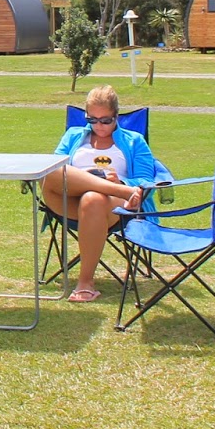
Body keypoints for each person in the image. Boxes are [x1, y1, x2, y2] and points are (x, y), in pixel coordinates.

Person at [40, 84, 171, 303]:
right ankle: (120, 190)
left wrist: (122, 181)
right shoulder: (73, 136)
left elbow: (145, 182)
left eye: (106, 120)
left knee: (93, 198)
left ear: (116, 116)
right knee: (51, 170)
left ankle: (85, 283)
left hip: (116, 206)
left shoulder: (134, 141)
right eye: (92, 120)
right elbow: (55, 170)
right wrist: (90, 178)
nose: (99, 126)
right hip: (70, 200)